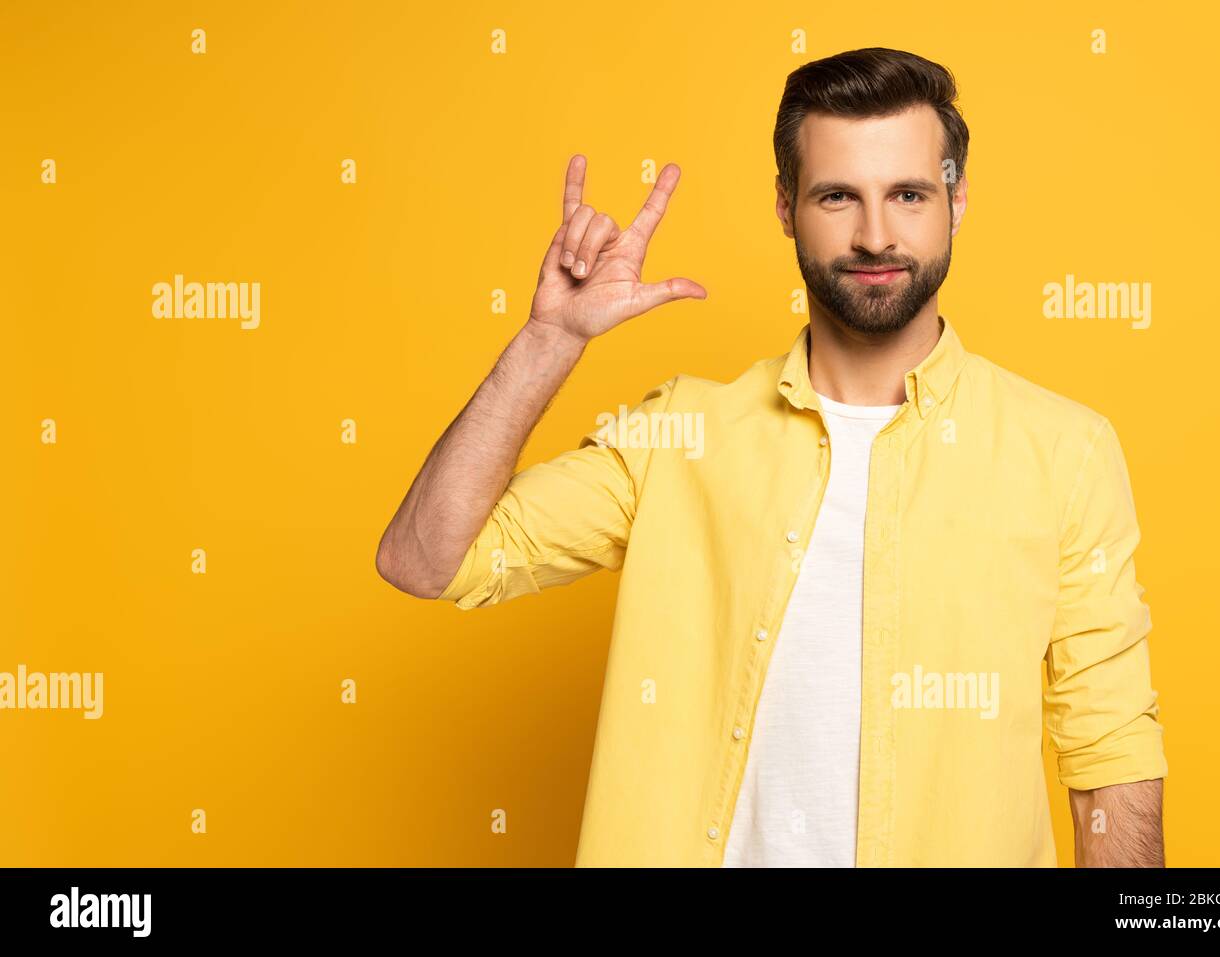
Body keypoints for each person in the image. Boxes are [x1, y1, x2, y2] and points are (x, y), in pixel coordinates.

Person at [376, 47, 1168, 867]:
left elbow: (1110, 756)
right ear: (787, 208)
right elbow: (426, 557)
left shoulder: (1063, 452)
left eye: (907, 194)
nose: (875, 235)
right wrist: (549, 340)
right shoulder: (680, 435)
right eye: (837, 196)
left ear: (957, 201)